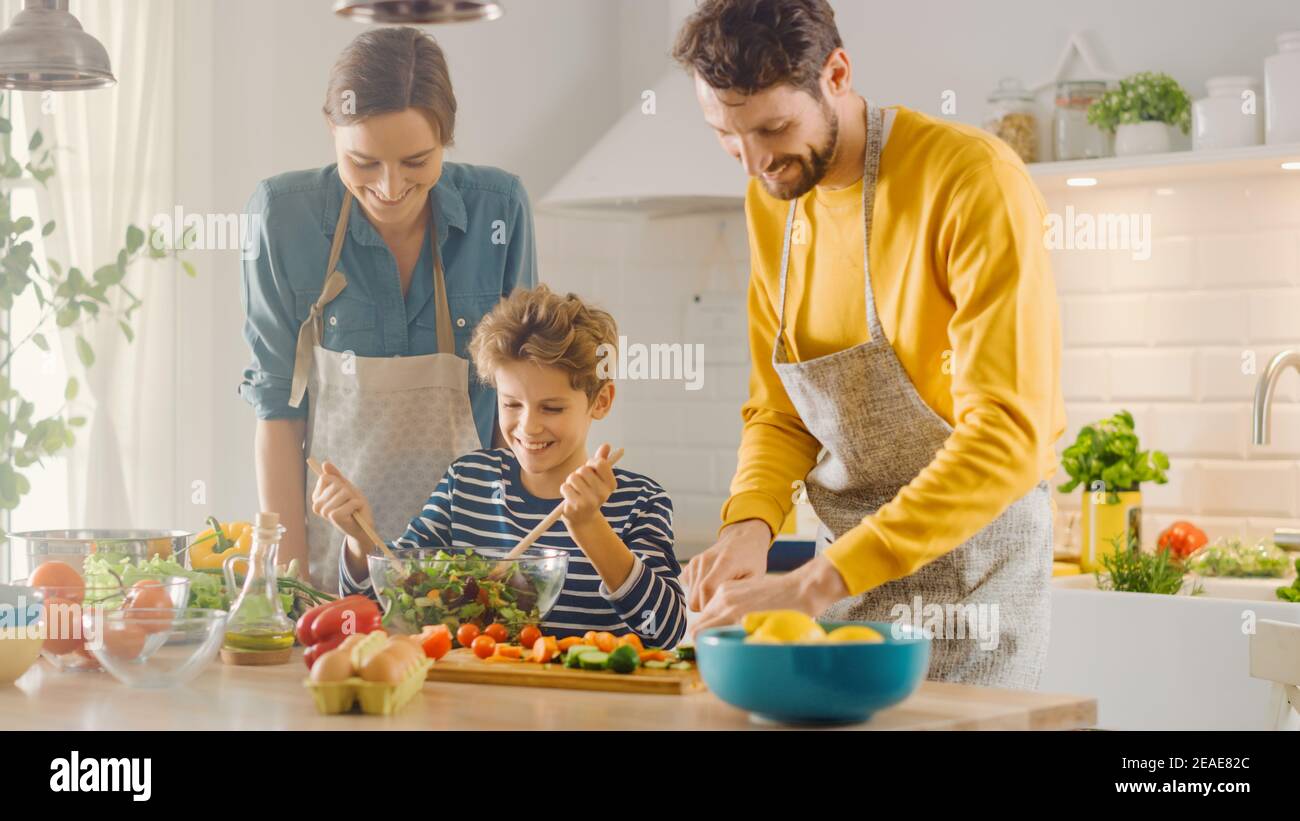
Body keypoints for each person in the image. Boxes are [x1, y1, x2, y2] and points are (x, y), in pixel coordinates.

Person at [676, 0, 1065, 688]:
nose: (756, 164)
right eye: (727, 136)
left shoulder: (971, 180)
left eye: (774, 127)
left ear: (837, 73)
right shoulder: (772, 198)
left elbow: (1008, 433)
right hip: (843, 589)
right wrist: (751, 522)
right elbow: (780, 410)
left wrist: (820, 580)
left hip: (974, 591)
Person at [238, 27, 536, 589]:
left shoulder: (500, 210)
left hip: (469, 564)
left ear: (447, 138)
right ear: (332, 129)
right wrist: (292, 589)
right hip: (335, 558)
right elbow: (278, 409)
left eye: (416, 161)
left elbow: (519, 402)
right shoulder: (281, 217)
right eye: (364, 162)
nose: (390, 186)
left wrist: (507, 569)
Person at [314, 285, 687, 646]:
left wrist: (589, 526)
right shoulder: (466, 483)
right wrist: (360, 539)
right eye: (511, 404)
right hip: (478, 700)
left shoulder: (640, 501)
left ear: (601, 401)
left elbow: (666, 628)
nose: (528, 426)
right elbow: (383, 604)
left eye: (552, 408)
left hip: (592, 706)